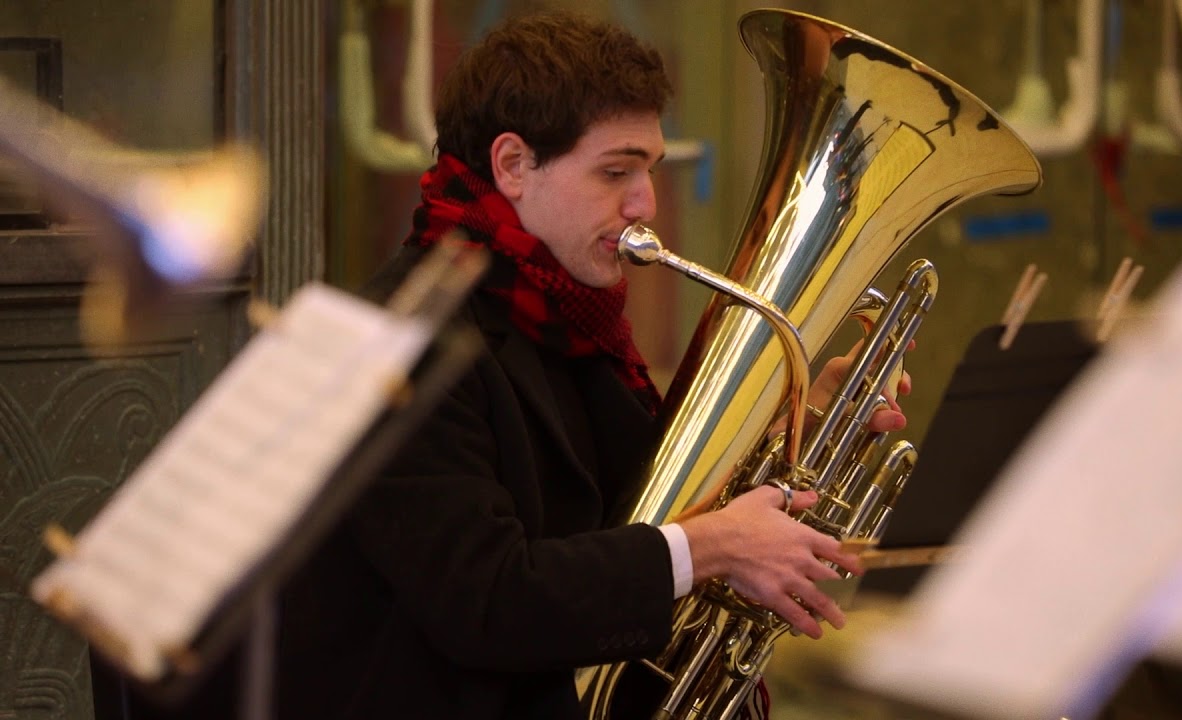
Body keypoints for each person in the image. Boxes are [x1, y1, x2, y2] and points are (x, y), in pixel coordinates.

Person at [95, 10, 911, 720]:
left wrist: (799, 416)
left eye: (649, 171)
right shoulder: (402, 339)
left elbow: (638, 498)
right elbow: (487, 600)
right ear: (514, 166)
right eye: (615, 171)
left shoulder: (567, 318)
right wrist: (709, 550)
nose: (645, 205)